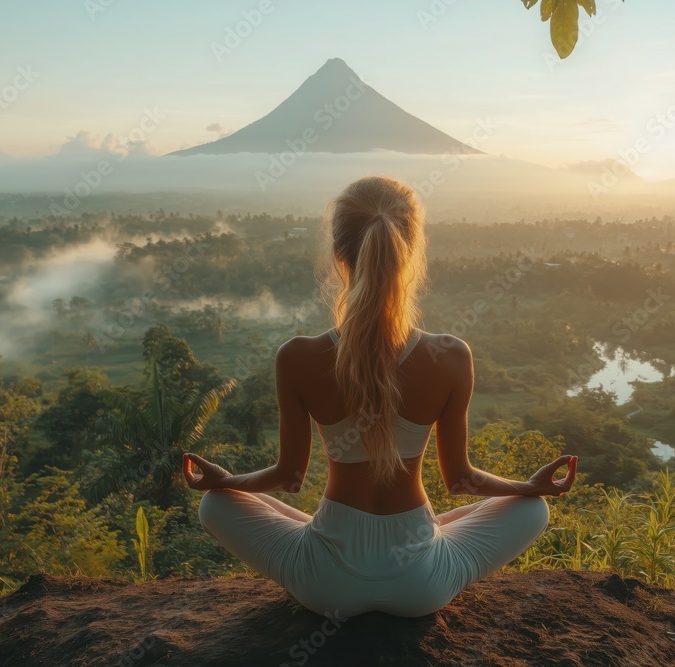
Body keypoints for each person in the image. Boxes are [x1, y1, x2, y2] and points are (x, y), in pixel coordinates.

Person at [185, 175, 578, 618]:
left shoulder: (296, 356)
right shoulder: (450, 356)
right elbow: (461, 480)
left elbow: (288, 477)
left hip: (324, 583)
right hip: (421, 583)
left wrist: (226, 482)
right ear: (409, 253)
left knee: (216, 503)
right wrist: (530, 487)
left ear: (339, 257)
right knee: (532, 510)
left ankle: (330, 535)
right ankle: (434, 532)